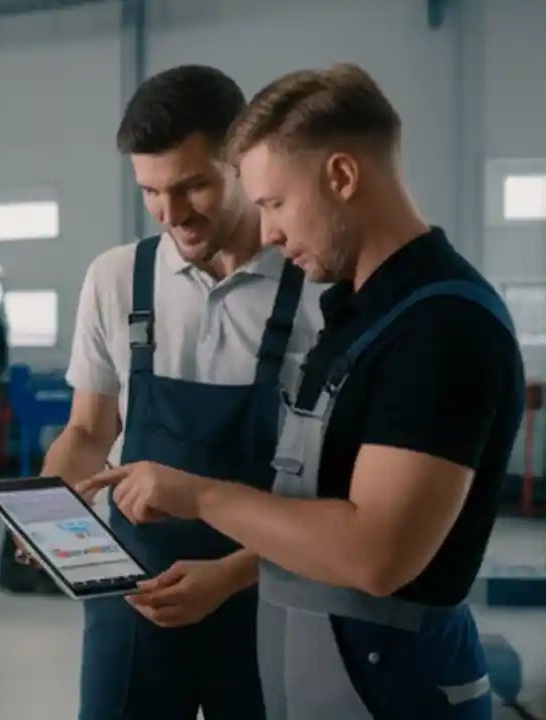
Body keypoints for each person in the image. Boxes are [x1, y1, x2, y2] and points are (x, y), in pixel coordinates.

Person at [79, 63, 526, 719]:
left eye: (274, 204)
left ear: (341, 176)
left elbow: (375, 553)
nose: (270, 233)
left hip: (388, 683)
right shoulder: (362, 316)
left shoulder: (439, 328)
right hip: (323, 670)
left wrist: (199, 495)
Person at [34, 64, 326, 720]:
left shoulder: (314, 287)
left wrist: (231, 576)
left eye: (193, 186)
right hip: (133, 594)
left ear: (244, 164)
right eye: (151, 192)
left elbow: (334, 487)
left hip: (265, 596)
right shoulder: (116, 278)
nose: (172, 215)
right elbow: (88, 431)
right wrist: (51, 504)